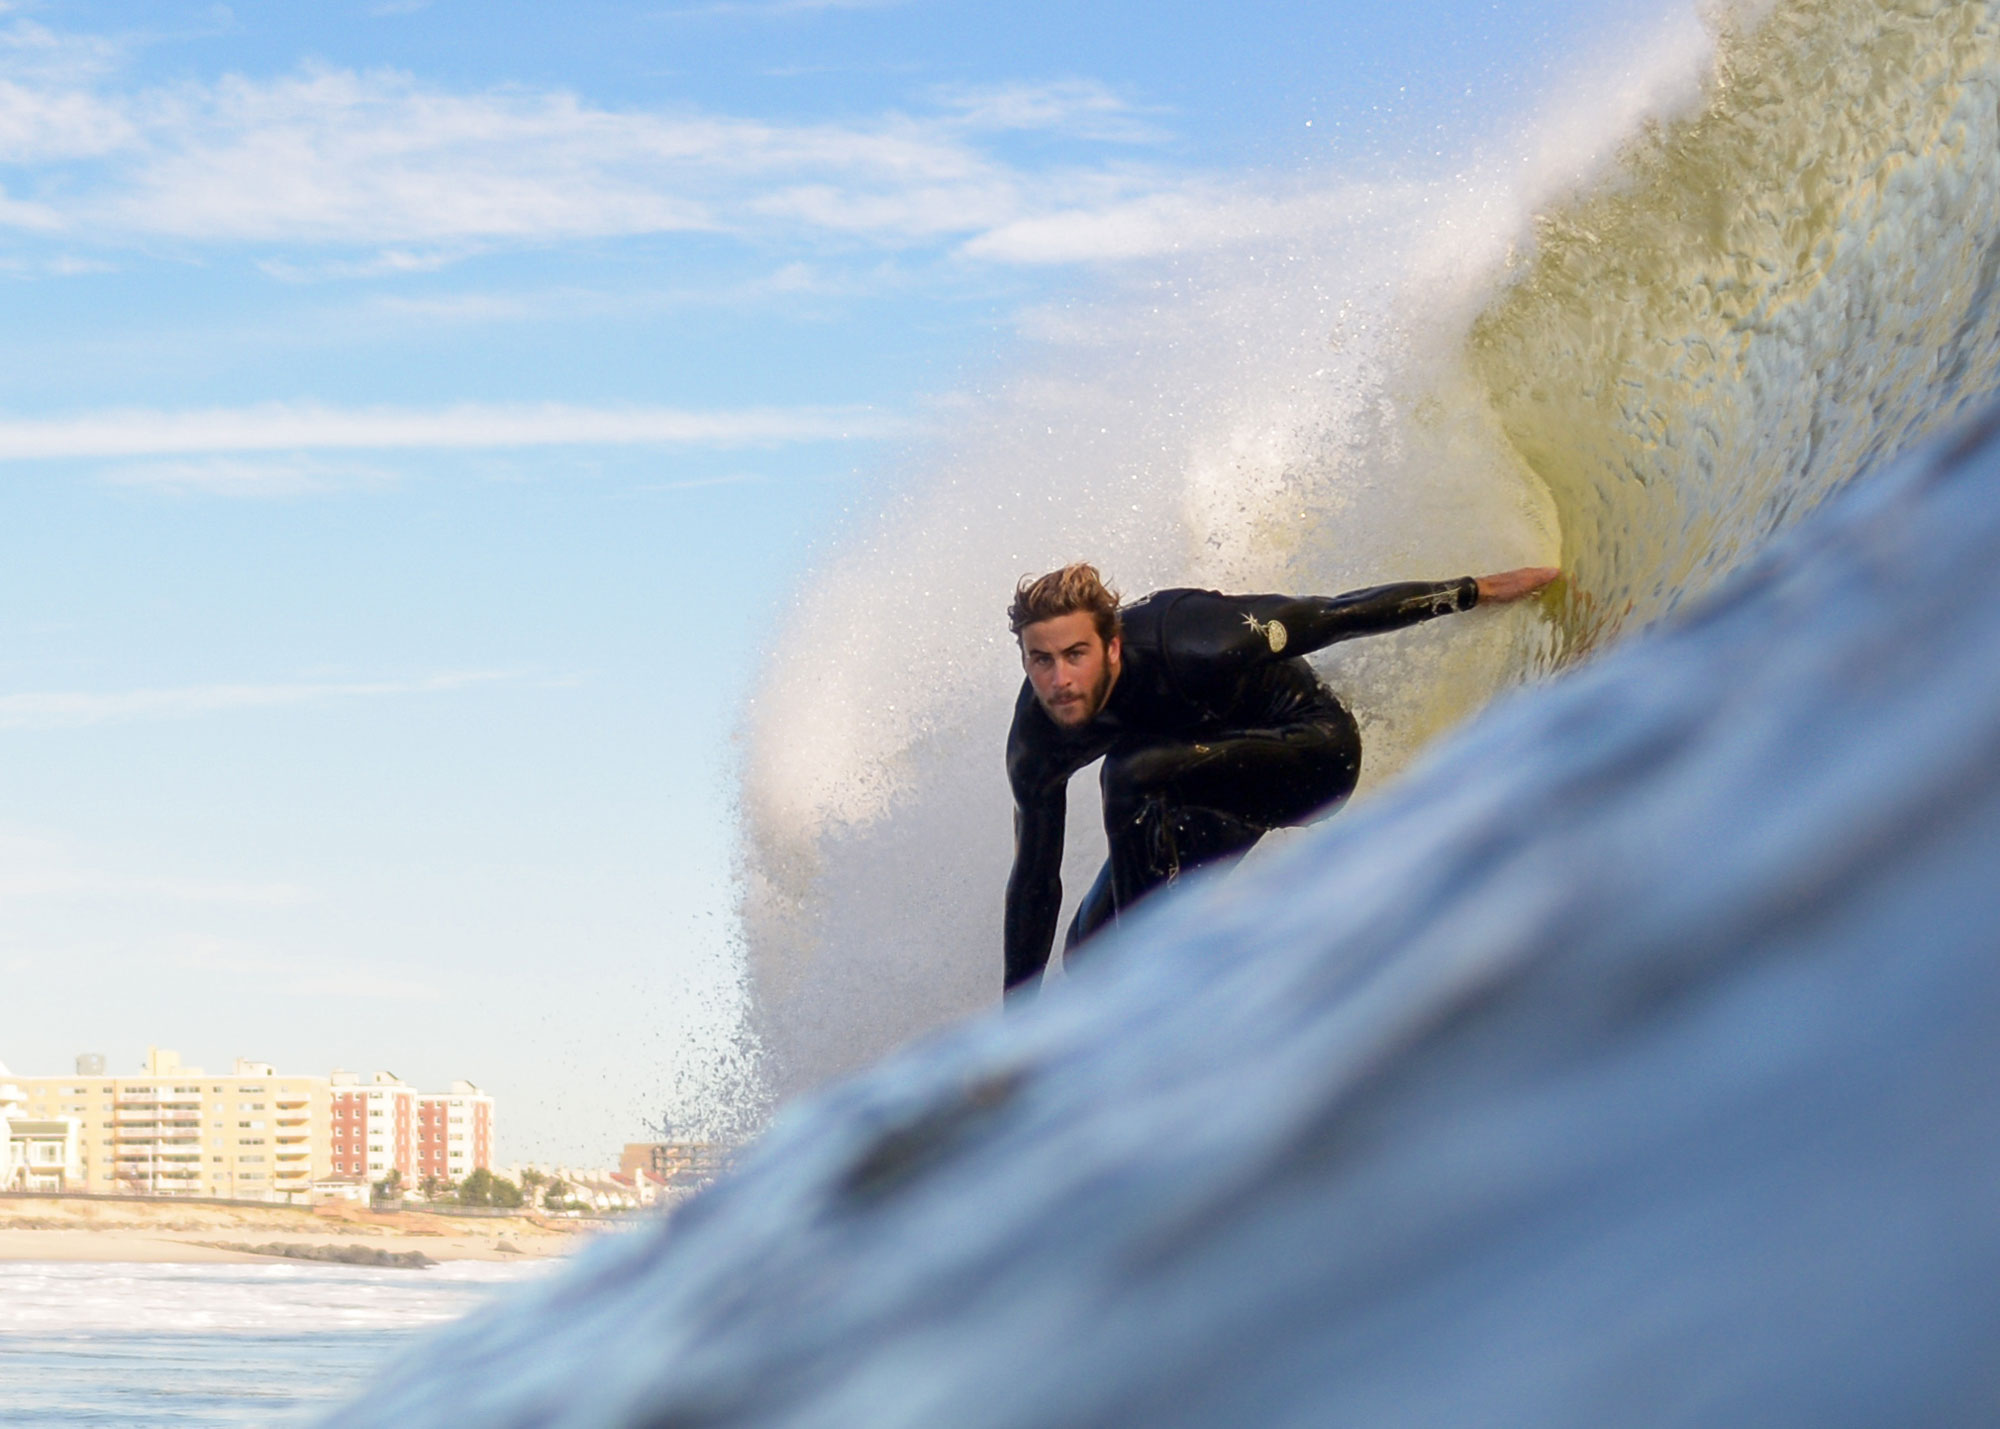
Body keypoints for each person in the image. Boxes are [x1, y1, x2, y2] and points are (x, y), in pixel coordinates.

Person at [1003, 561, 1559, 992]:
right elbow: (1034, 880)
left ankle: (1153, 983)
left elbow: (1338, 614)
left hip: (1313, 755)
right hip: (1208, 794)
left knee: (1131, 774)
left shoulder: (1193, 640)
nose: (1060, 680)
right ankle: (1219, 994)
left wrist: (1475, 590)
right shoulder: (1038, 738)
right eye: (1041, 660)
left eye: (1076, 654)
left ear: (1113, 646)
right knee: (1087, 954)